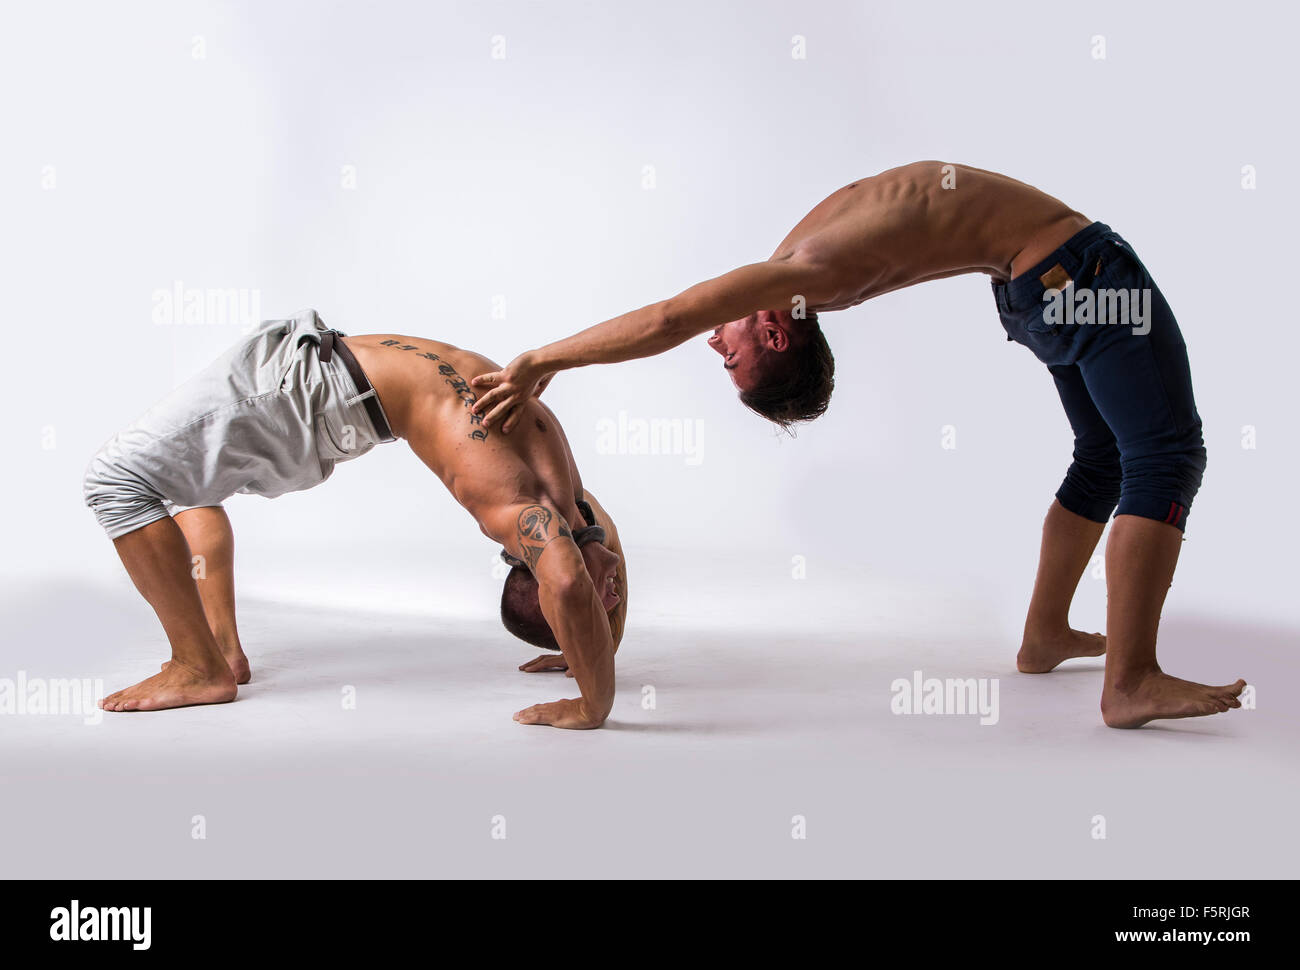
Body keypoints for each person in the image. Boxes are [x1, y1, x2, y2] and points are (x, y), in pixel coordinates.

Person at [469, 161, 1243, 729]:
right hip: (1076, 272)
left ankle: (1044, 635)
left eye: (726, 358)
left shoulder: (791, 268)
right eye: (733, 360)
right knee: (1164, 457)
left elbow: (683, 315)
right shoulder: (808, 272)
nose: (716, 345)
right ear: (776, 332)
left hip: (1032, 288)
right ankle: (1130, 679)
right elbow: (671, 318)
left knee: (1103, 458)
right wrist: (542, 361)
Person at [83, 310, 627, 729]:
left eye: (604, 602)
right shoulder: (578, 509)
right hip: (323, 377)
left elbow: (568, 582)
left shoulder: (517, 507)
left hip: (306, 394)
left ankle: (198, 668)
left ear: (545, 584)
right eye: (609, 601)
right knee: (185, 483)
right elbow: (583, 577)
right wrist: (586, 649)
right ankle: (223, 650)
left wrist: (592, 704)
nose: (617, 591)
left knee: (114, 478)